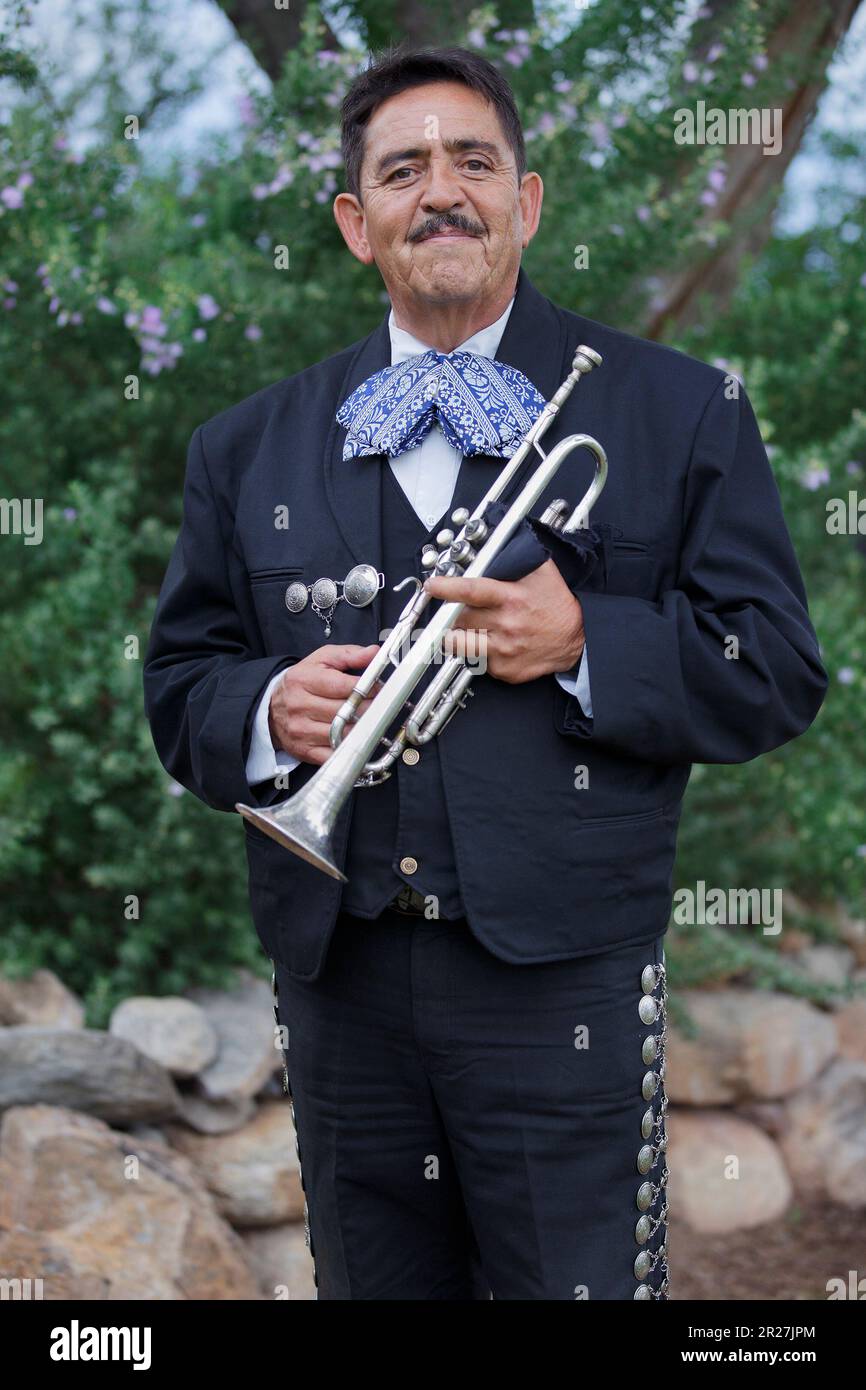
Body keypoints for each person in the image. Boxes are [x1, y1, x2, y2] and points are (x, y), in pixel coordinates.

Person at [143, 47, 828, 1300]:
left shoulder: (678, 410)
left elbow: (775, 668)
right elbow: (182, 683)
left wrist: (583, 645)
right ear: (356, 225)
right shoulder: (243, 446)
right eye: (401, 169)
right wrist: (259, 710)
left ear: (528, 201)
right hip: (341, 981)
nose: (439, 191)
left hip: (558, 977)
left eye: (473, 161)